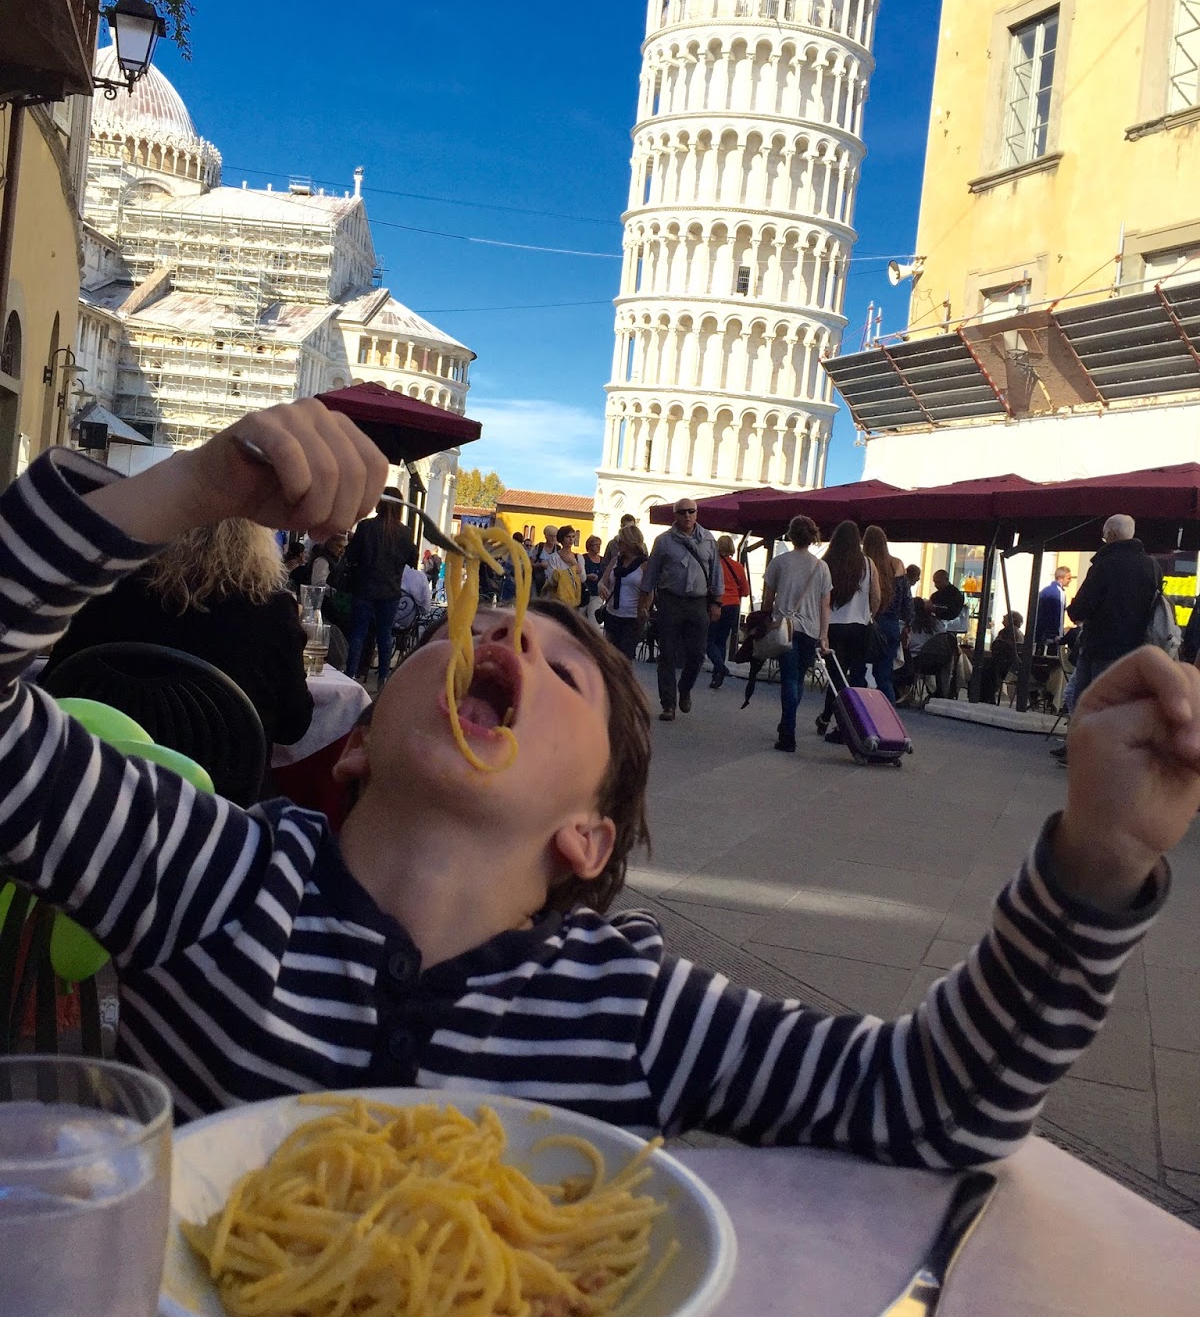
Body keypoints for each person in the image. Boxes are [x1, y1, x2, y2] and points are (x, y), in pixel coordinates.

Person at [0, 399, 1193, 1173]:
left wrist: (1099, 860)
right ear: (355, 740)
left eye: (565, 665)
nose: (512, 644)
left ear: (587, 834)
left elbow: (931, 1104)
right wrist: (185, 494)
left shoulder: (630, 1008)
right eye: (478, 634)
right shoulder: (208, 871)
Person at [42, 516, 313, 763]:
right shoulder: (271, 612)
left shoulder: (103, 594)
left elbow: (52, 690)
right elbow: (293, 727)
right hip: (220, 800)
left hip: (99, 784)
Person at [638, 498, 722, 722]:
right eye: (683, 512)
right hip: (670, 601)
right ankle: (668, 704)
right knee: (666, 653)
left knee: (697, 653)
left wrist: (717, 603)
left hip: (697, 602)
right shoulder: (663, 541)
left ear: (696, 513)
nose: (687, 516)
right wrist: (643, 604)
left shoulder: (708, 540)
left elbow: (716, 573)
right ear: (675, 515)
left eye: (691, 511)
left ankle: (684, 688)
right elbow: (651, 574)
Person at [1067, 516, 1160, 700]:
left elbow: (1080, 609)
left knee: (1085, 705)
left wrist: (1073, 610)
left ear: (1111, 534)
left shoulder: (1104, 565)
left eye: (1104, 537)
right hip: (1137, 651)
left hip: (1101, 649)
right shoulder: (1153, 567)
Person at [761, 515, 831, 751]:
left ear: (791, 535)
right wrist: (824, 635)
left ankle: (787, 731)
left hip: (785, 628)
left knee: (789, 678)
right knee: (798, 678)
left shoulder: (779, 563)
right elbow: (825, 606)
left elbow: (767, 600)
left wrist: (764, 621)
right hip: (810, 631)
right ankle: (786, 724)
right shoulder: (821, 567)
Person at [343, 488, 418, 687]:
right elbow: (412, 560)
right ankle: (383, 677)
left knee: (358, 633)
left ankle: (351, 674)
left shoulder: (366, 527)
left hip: (364, 588)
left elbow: (351, 556)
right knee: (384, 635)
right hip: (390, 591)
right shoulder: (405, 532)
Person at [815, 520, 880, 738]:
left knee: (836, 676)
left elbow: (818, 597)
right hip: (860, 627)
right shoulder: (868, 564)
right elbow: (877, 596)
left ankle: (827, 717)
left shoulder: (826, 563)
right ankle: (852, 723)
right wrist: (869, 614)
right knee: (856, 677)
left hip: (832, 626)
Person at [863, 524, 911, 705]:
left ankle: (860, 714)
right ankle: (889, 718)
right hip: (891, 624)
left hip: (867, 622)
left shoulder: (864, 564)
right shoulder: (897, 564)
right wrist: (908, 624)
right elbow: (907, 600)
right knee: (884, 677)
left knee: (858, 671)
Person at [597, 523, 647, 659]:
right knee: (610, 655)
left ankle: (623, 680)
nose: (617, 545)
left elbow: (649, 591)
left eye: (620, 542)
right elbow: (603, 581)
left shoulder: (644, 565)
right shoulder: (615, 561)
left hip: (632, 617)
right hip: (612, 614)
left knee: (625, 657)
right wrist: (601, 586)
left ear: (630, 543)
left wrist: (643, 610)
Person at [707, 535, 751, 689]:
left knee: (709, 640)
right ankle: (716, 675)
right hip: (733, 606)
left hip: (716, 604)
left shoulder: (713, 565)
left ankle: (720, 667)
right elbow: (745, 591)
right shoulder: (738, 567)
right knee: (721, 640)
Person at [980, 612, 1024, 706]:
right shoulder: (1019, 633)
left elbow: (999, 647)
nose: (1003, 619)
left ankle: (985, 695)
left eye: (1005, 618)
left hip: (1005, 666)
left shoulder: (1007, 632)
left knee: (986, 667)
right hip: (1011, 666)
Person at [1036, 566, 1074, 647]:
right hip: (1052, 636)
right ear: (1060, 578)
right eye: (1068, 578)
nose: (1070, 581)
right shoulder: (1059, 593)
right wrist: (1059, 636)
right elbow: (1059, 616)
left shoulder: (1044, 591)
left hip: (1040, 634)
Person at [529, 525, 560, 595]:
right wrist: (540, 565)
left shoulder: (558, 549)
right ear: (546, 536)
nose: (553, 538)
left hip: (552, 582)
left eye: (554, 536)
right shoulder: (539, 547)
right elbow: (529, 563)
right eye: (550, 536)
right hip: (537, 580)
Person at [580, 535, 605, 620]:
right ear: (589, 546)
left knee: (593, 619)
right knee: (580, 618)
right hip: (583, 593)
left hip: (596, 594)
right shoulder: (583, 558)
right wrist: (587, 576)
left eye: (599, 545)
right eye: (596, 545)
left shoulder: (603, 560)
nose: (598, 547)